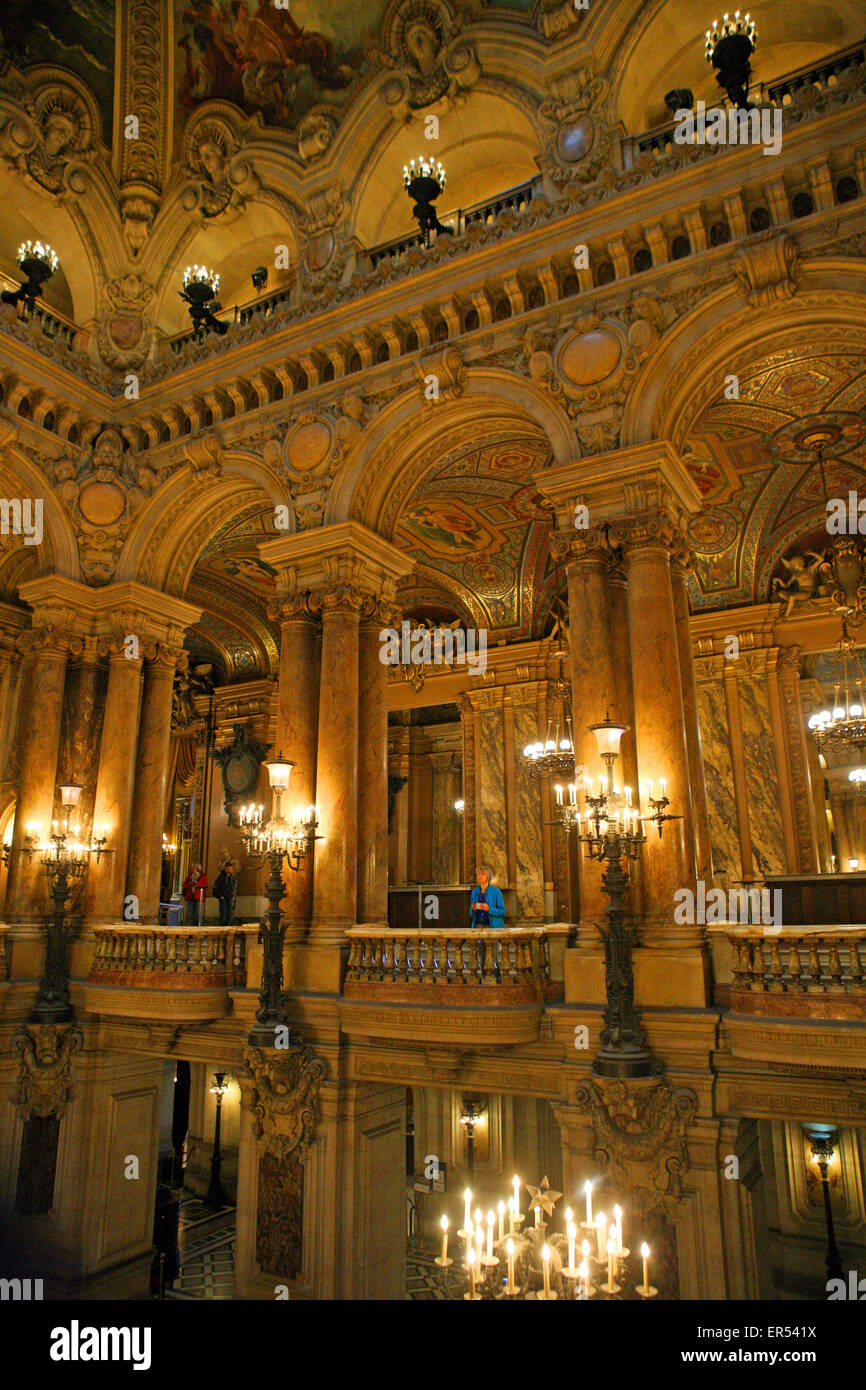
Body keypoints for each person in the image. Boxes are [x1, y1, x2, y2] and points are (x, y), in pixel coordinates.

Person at [469, 865, 506, 976]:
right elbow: (471, 914)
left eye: (482, 874)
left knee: (493, 956)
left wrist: (489, 909)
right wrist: (473, 909)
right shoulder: (475, 892)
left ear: (488, 876)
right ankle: (484, 977)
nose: (479, 876)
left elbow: (502, 911)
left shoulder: (496, 892)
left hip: (492, 927)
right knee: (481, 955)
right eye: (478, 874)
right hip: (479, 926)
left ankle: (496, 978)